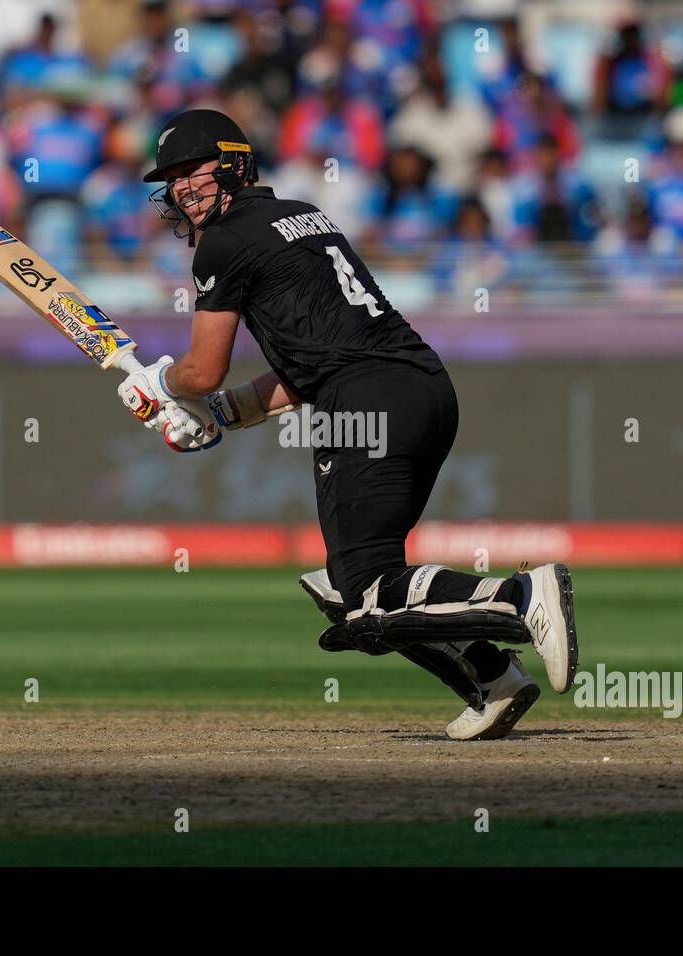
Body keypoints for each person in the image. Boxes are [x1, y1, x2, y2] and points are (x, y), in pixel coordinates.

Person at [120, 109, 580, 740]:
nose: (180, 189)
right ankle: (491, 678)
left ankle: (521, 596)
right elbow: (308, 367)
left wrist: (160, 387)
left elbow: (201, 368)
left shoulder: (223, 242)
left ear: (232, 160)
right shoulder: (301, 214)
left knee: (365, 582)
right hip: (421, 389)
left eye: (190, 170)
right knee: (348, 590)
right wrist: (219, 414)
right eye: (169, 179)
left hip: (365, 403)